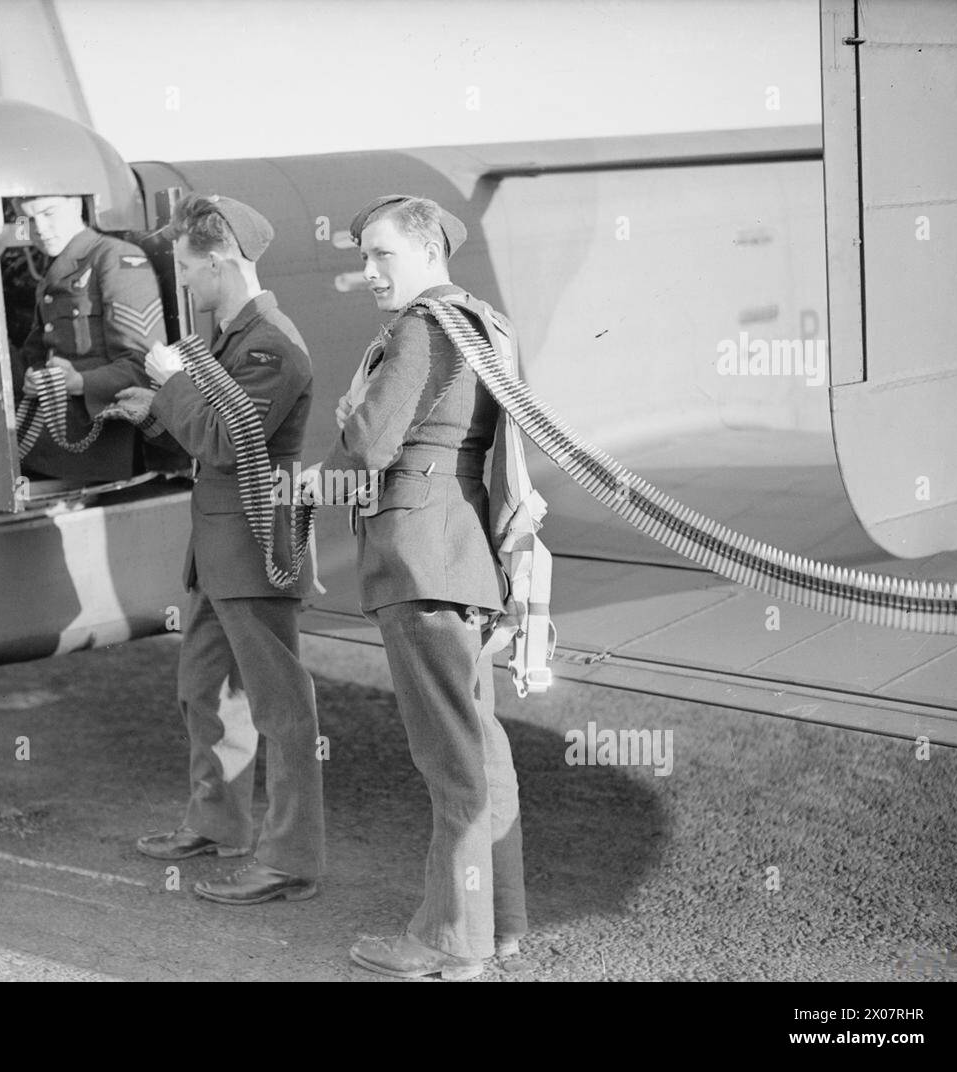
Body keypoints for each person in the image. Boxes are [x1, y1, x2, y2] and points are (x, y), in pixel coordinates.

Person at [309, 195, 527, 979]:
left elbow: (368, 445)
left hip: (418, 559)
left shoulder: (422, 327)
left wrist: (306, 484)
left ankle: (447, 940)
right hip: (464, 559)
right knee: (481, 754)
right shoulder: (483, 323)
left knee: (451, 763)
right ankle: (497, 925)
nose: (367, 273)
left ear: (429, 251)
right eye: (362, 257)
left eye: (381, 256)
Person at [115, 194, 325, 905]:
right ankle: (220, 823)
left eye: (187, 270)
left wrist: (170, 381)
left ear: (217, 261)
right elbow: (211, 423)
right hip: (220, 550)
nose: (186, 286)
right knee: (204, 690)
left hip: (256, 545)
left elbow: (227, 439)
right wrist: (157, 406)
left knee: (281, 708)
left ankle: (290, 861)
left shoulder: (272, 342)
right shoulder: (238, 336)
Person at [10, 194, 168, 483]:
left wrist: (79, 382)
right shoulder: (55, 271)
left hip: (101, 439)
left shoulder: (115, 258)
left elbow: (144, 366)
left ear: (76, 205)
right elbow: (35, 352)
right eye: (30, 219)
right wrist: (36, 377)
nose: (40, 228)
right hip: (58, 430)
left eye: (48, 213)